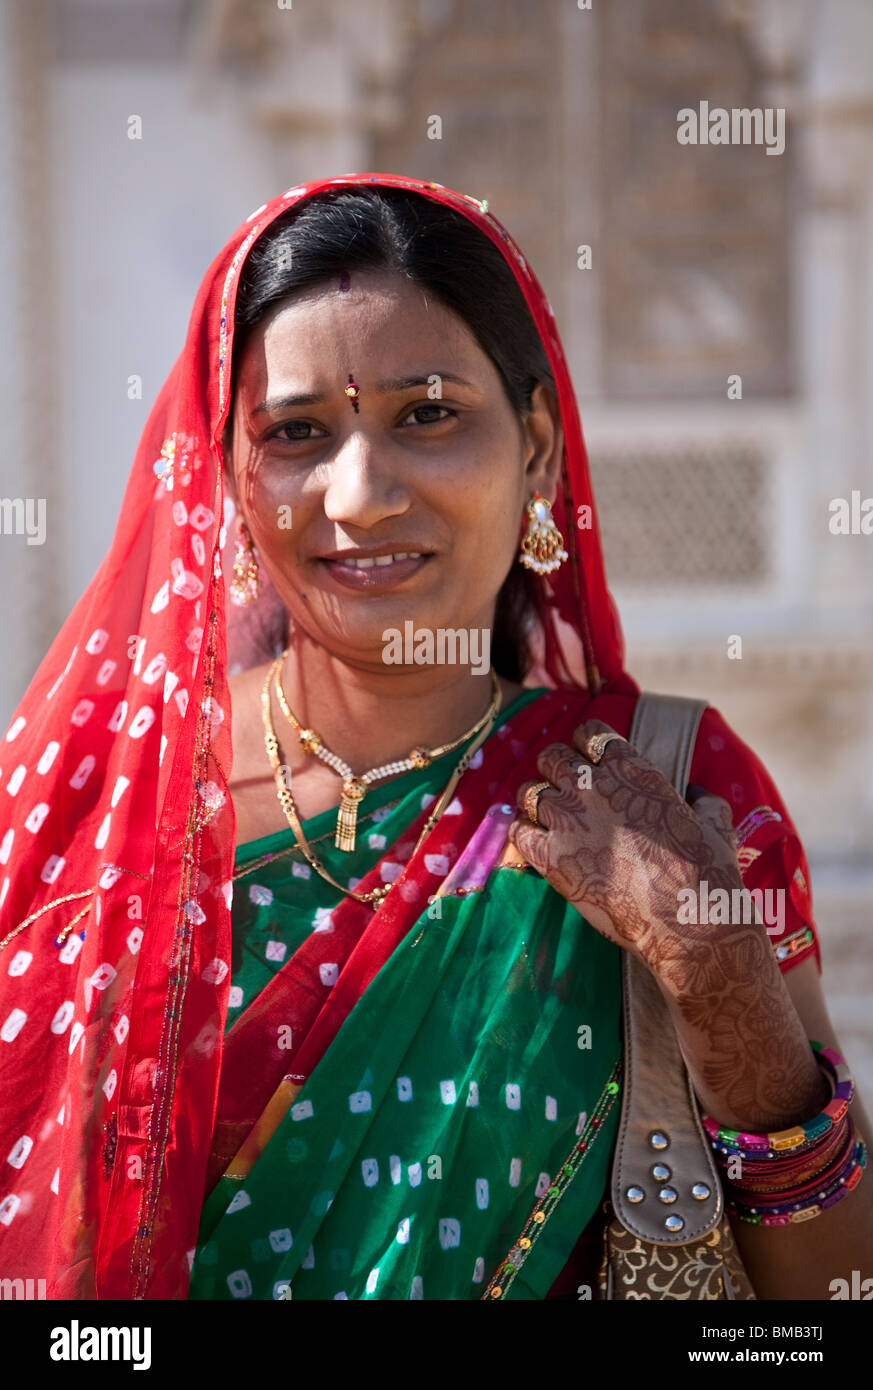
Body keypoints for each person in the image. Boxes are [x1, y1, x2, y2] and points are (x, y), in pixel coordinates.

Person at [0, 173, 869, 1301]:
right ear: (228, 478)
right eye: (297, 432)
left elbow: (834, 1294)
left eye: (428, 414)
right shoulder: (98, 816)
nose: (357, 495)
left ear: (539, 451)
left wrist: (719, 985)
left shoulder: (669, 792)